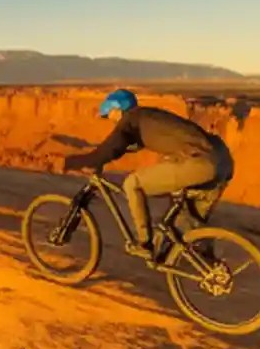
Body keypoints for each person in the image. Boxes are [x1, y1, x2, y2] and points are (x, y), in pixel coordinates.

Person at [62, 89, 234, 259]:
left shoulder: (129, 121)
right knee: (185, 224)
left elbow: (109, 150)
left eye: (109, 115)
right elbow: (121, 148)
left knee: (132, 183)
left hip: (202, 162)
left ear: (116, 109)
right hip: (223, 161)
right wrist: (100, 157)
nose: (111, 121)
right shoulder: (147, 117)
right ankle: (211, 267)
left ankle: (144, 243)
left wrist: (74, 161)